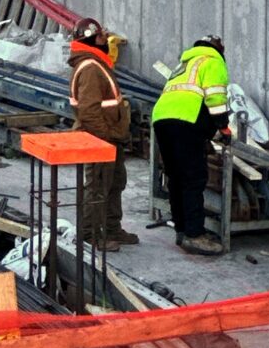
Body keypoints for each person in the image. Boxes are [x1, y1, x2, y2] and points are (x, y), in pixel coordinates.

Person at [150, 36, 230, 256]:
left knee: (176, 177)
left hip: (161, 119)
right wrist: (223, 127)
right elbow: (216, 99)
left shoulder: (183, 65)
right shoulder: (213, 62)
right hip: (186, 121)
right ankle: (195, 234)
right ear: (219, 50)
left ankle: (182, 229)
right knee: (193, 179)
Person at [69, 18, 135, 250]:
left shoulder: (97, 64)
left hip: (110, 139)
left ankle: (111, 229)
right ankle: (90, 235)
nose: (106, 41)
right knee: (97, 187)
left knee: (115, 183)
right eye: (101, 38)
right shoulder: (90, 68)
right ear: (90, 39)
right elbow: (89, 112)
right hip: (100, 141)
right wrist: (105, 136)